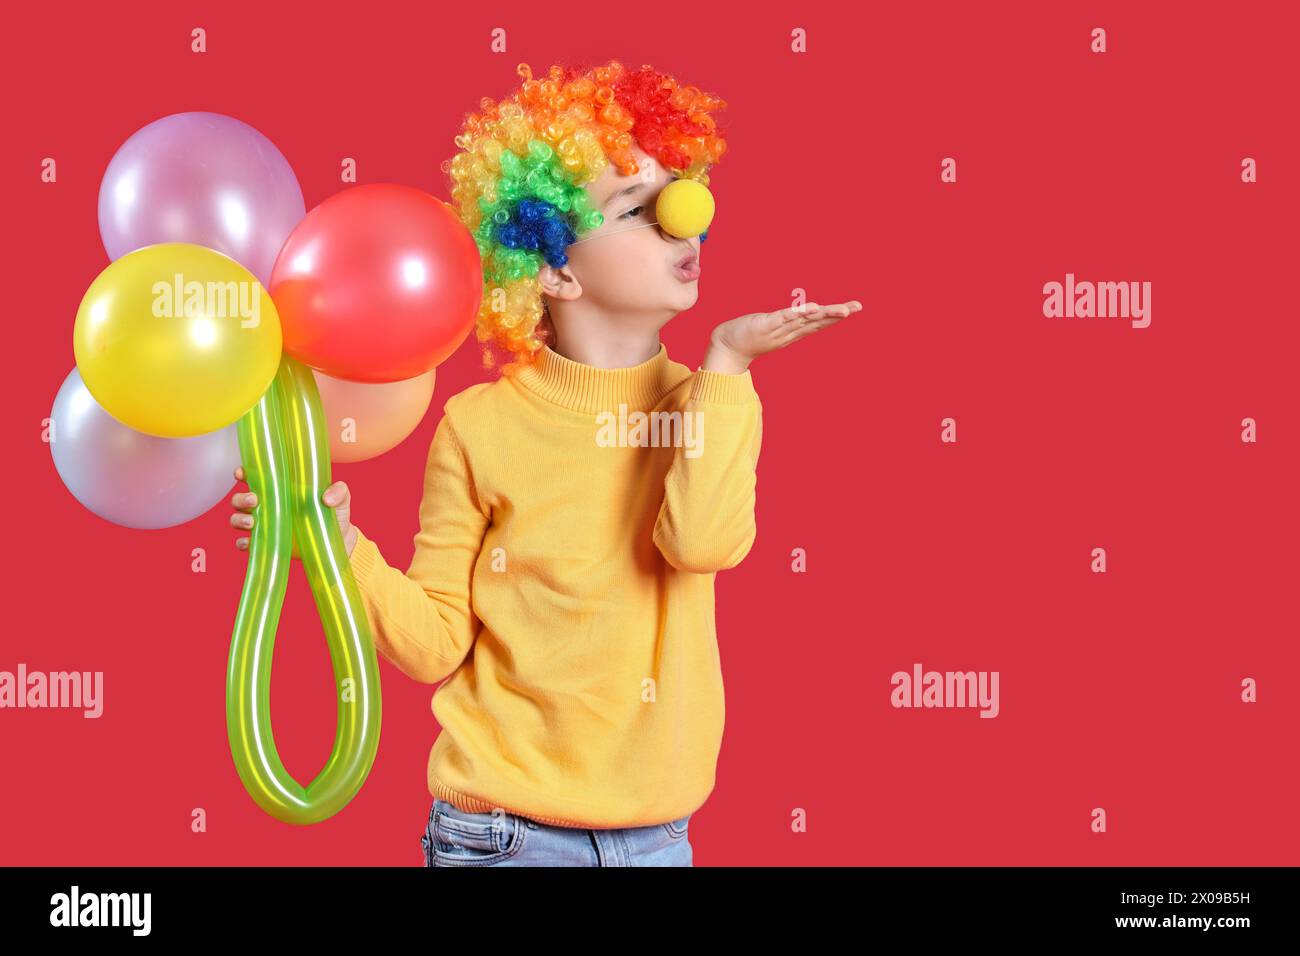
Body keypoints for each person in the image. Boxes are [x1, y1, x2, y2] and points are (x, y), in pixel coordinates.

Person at [230, 59, 860, 865]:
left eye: (680, 196)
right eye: (638, 209)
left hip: (660, 838)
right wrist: (337, 545)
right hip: (500, 834)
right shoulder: (480, 426)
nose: (684, 221)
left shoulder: (710, 402)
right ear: (556, 268)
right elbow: (433, 647)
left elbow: (701, 544)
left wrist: (729, 366)